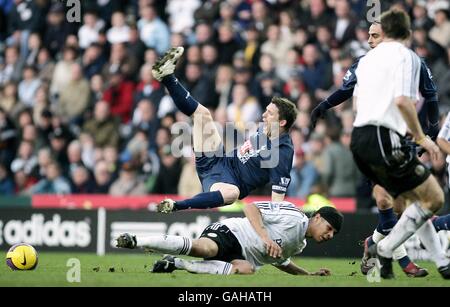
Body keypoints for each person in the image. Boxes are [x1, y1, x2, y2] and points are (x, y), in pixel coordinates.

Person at [310, 19, 441, 278]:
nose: (369, 41)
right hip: (373, 140)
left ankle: (376, 243)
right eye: (369, 35)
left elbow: (432, 94)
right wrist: (324, 105)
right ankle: (403, 261)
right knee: (385, 200)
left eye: (375, 36)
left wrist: (432, 131)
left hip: (403, 138)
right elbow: (346, 89)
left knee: (399, 205)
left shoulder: (413, 63)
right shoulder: (365, 63)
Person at [350, 9, 450, 279]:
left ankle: (441, 262)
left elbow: (356, 104)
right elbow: (403, 101)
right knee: (435, 197)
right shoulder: (406, 56)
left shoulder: (366, 60)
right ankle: (386, 247)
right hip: (384, 138)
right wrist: (421, 138)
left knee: (412, 201)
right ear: (407, 32)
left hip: (359, 140)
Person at [151, 47, 297, 213]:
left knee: (232, 194)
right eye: (266, 110)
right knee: (202, 114)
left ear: (282, 122)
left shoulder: (282, 151)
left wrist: (275, 222)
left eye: (270, 114)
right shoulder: (265, 128)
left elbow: (278, 196)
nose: (264, 115)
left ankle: (176, 205)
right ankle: (167, 76)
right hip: (218, 159)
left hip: (226, 182)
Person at [116, 202, 343, 276]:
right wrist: (265, 237)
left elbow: (281, 261)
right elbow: (251, 207)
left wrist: (309, 275)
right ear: (318, 217)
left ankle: (176, 263)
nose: (330, 235)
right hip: (232, 232)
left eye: (334, 234)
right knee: (204, 249)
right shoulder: (293, 215)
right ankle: (136, 240)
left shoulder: (300, 244)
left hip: (240, 256)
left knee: (246, 270)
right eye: (329, 228)